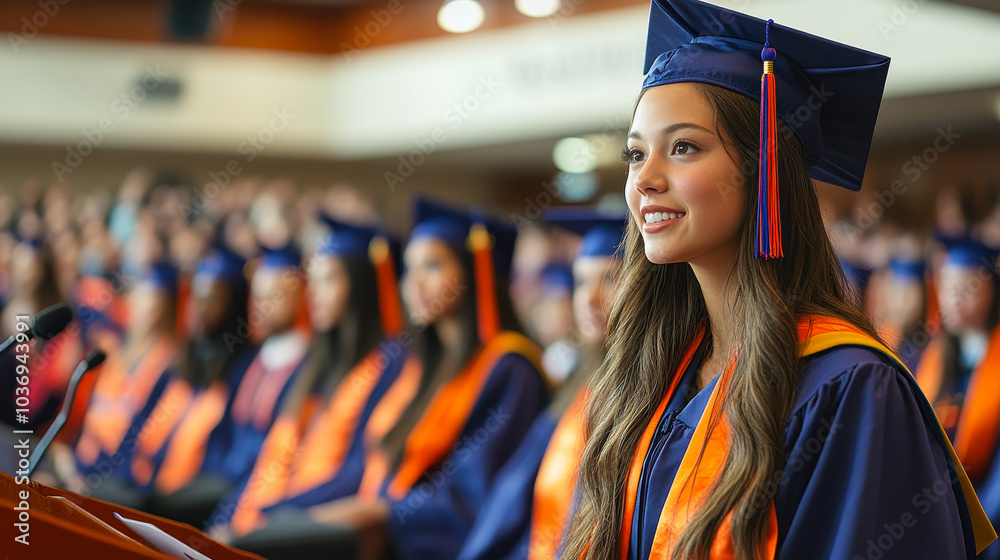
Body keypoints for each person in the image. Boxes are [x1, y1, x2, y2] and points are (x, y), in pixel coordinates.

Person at [559, 2, 996, 559]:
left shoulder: (848, 386)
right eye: (635, 153)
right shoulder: (650, 374)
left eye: (684, 147)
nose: (644, 179)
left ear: (763, 169)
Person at [261, 197, 550, 560]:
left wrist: (383, 514)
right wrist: (287, 513)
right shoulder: (422, 369)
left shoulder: (509, 370)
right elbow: (373, 467)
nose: (412, 282)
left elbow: (470, 492)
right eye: (408, 268)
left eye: (432, 266)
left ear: (472, 273)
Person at [208, 215, 408, 539]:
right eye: (312, 282)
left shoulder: (389, 367)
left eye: (329, 280)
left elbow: (356, 473)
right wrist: (226, 517)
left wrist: (272, 517)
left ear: (359, 286)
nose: (314, 293)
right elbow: (270, 457)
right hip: (275, 523)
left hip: (318, 532)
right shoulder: (315, 366)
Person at [457, 208, 625, 560]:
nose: (589, 299)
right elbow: (510, 499)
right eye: (580, 282)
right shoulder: (575, 391)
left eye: (609, 278)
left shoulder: (658, 399)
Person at [126, 244, 258, 527]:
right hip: (146, 492)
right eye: (195, 298)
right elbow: (138, 430)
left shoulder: (242, 372)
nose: (198, 308)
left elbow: (226, 465)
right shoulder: (182, 364)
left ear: (232, 308)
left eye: (211, 300)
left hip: (188, 511)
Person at [73, 261, 179, 507]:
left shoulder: (168, 366)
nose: (140, 308)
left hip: (125, 480)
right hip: (87, 464)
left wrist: (92, 479)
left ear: (165, 307)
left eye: (150, 300)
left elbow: (142, 436)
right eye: (137, 298)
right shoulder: (115, 351)